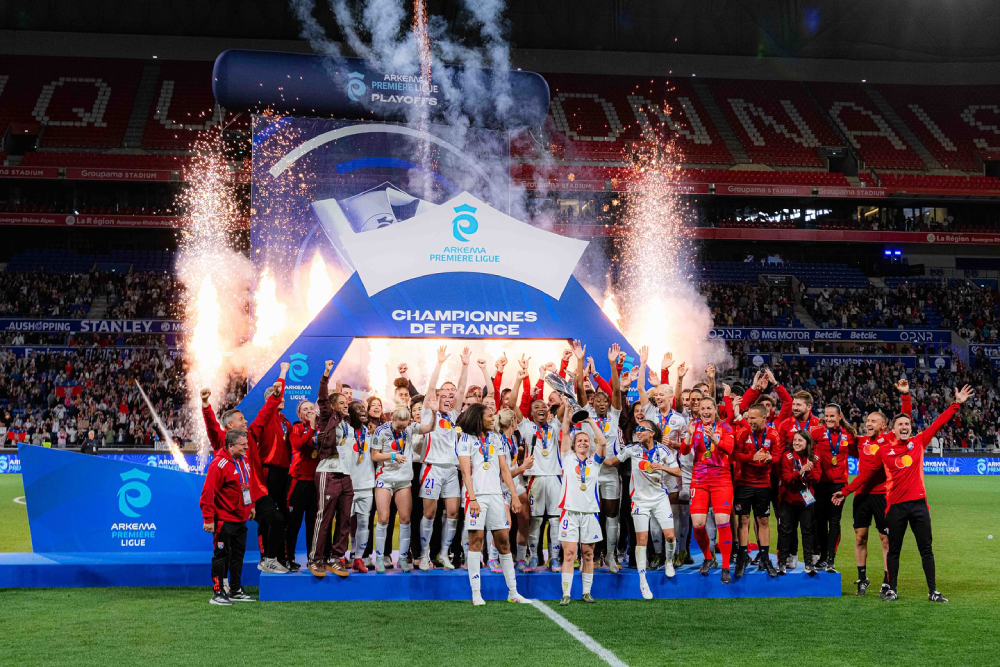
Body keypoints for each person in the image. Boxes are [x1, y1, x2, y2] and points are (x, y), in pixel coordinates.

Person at [835, 384, 973, 603]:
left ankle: (933, 591)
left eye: (907, 423)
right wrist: (846, 491)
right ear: (894, 428)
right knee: (893, 550)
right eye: (900, 424)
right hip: (895, 506)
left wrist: (956, 404)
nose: (904, 426)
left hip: (919, 505)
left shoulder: (919, 442)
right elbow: (867, 473)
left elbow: (939, 423)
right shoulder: (884, 451)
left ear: (911, 426)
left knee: (926, 550)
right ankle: (892, 589)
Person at [201, 365, 289, 575]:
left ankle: (268, 560)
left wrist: (277, 393)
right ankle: (225, 586)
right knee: (229, 548)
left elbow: (265, 413)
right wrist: (205, 405)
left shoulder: (251, 435)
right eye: (241, 419)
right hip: (230, 501)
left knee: (275, 520)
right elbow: (213, 426)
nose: (246, 421)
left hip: (253, 494)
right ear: (230, 426)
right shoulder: (222, 440)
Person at [456, 403, 531, 606]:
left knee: (504, 542)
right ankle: (476, 593)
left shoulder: (496, 438)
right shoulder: (465, 439)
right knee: (476, 542)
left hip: (496, 495)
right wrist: (472, 498)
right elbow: (465, 472)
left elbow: (505, 469)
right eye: (490, 415)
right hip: (477, 496)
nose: (493, 418)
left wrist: (514, 495)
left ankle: (513, 592)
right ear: (479, 418)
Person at [843, 383, 912, 596]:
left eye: (873, 421)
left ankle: (886, 581)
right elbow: (843, 437)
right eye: (867, 421)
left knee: (885, 539)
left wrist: (905, 396)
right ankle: (862, 579)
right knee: (860, 537)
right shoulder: (860, 442)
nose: (868, 423)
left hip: (883, 496)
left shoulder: (889, 439)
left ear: (883, 426)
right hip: (862, 496)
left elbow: (905, 420)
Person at [604, 417, 680, 600]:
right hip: (639, 500)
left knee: (670, 536)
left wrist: (661, 467)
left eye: (642, 429)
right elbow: (611, 462)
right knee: (642, 540)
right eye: (637, 429)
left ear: (652, 433)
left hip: (660, 498)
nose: (638, 432)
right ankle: (643, 580)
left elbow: (677, 471)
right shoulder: (631, 449)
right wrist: (595, 455)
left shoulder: (663, 450)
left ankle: (669, 561)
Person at [510, 353, 565, 572]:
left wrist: (557, 376)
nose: (541, 408)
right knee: (535, 521)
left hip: (554, 478)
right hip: (534, 479)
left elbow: (564, 400)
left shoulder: (555, 425)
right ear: (530, 414)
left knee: (555, 520)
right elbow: (512, 403)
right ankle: (533, 557)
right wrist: (519, 378)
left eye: (543, 406)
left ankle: (554, 558)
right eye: (536, 407)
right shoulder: (526, 427)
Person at [418, 346, 470, 570]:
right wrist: (439, 363)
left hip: (451, 470)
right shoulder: (429, 410)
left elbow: (461, 389)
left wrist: (465, 366)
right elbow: (431, 387)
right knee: (429, 513)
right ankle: (423, 555)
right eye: (445, 392)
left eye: (452, 393)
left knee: (452, 514)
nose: (449, 395)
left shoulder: (455, 413)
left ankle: (443, 554)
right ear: (437, 395)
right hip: (432, 468)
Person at [553, 394, 607, 605]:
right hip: (570, 512)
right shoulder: (567, 457)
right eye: (580, 441)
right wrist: (567, 408)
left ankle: (586, 592)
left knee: (588, 553)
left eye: (586, 441)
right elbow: (565, 431)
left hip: (590, 513)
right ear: (574, 445)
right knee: (569, 553)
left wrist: (590, 421)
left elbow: (601, 442)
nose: (583, 443)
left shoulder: (595, 461)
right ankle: (566, 593)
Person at [681, 396, 736, 583]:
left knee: (722, 521)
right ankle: (707, 557)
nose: (705, 411)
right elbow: (684, 451)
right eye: (702, 408)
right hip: (699, 479)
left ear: (715, 410)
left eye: (709, 408)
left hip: (721, 478)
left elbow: (730, 448)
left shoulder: (725, 428)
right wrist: (688, 435)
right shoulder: (693, 426)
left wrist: (715, 439)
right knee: (697, 524)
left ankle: (726, 566)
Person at [308, 360, 353, 579]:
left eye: (347, 401)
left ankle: (336, 557)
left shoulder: (348, 422)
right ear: (333, 406)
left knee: (345, 519)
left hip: (346, 475)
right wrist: (325, 375)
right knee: (324, 517)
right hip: (329, 471)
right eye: (342, 402)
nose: (346, 404)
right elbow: (323, 398)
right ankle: (315, 559)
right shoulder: (328, 417)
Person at [200, 429, 256, 605]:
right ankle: (217, 593)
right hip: (224, 520)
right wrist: (208, 519)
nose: (247, 447)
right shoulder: (219, 464)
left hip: (241, 519)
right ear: (231, 446)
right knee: (221, 555)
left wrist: (251, 505)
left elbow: (247, 484)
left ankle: (235, 590)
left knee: (238, 555)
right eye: (243, 444)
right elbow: (208, 493)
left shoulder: (244, 461)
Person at [731, 403, 779, 578]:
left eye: (753, 418)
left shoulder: (773, 434)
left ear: (764, 418)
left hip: (763, 485)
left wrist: (770, 458)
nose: (749, 421)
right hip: (744, 483)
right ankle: (742, 557)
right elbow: (734, 455)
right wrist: (752, 457)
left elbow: (778, 456)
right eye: (748, 417)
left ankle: (765, 557)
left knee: (763, 521)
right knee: (743, 519)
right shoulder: (743, 433)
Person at [813, 403, 855, 573]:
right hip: (820, 484)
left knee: (835, 520)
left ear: (840, 417)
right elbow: (800, 443)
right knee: (820, 522)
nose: (829, 419)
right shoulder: (816, 432)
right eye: (827, 416)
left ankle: (831, 558)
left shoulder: (849, 435)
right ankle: (823, 557)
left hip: (838, 485)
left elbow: (859, 452)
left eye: (832, 416)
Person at [492, 408, 534, 572]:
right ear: (513, 421)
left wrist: (522, 461)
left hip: (515, 482)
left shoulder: (513, 440)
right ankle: (493, 558)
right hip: (501, 485)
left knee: (524, 517)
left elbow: (512, 465)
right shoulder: (497, 441)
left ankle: (522, 559)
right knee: (505, 523)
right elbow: (503, 474)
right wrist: (523, 467)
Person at [778, 430, 821, 575]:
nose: (796, 443)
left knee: (807, 531)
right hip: (788, 499)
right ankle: (782, 562)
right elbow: (786, 478)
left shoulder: (814, 458)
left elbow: (817, 479)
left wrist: (809, 471)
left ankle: (809, 563)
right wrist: (800, 471)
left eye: (800, 441)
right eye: (795, 440)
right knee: (785, 531)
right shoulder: (787, 456)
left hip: (806, 500)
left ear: (808, 443)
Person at [339, 401, 375, 573]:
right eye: (358, 408)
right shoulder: (344, 431)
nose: (362, 411)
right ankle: (340, 556)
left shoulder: (370, 432)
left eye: (363, 408)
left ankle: (358, 558)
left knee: (364, 523)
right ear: (350, 413)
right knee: (344, 523)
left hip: (367, 484)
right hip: (348, 485)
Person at [285, 400, 318, 568]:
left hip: (316, 482)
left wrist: (315, 428)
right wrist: (311, 428)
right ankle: (289, 558)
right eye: (305, 409)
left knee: (313, 523)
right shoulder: (295, 427)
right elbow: (298, 445)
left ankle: (312, 559)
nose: (310, 411)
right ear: (299, 414)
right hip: (298, 481)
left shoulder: (321, 428)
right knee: (294, 522)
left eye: (312, 408)